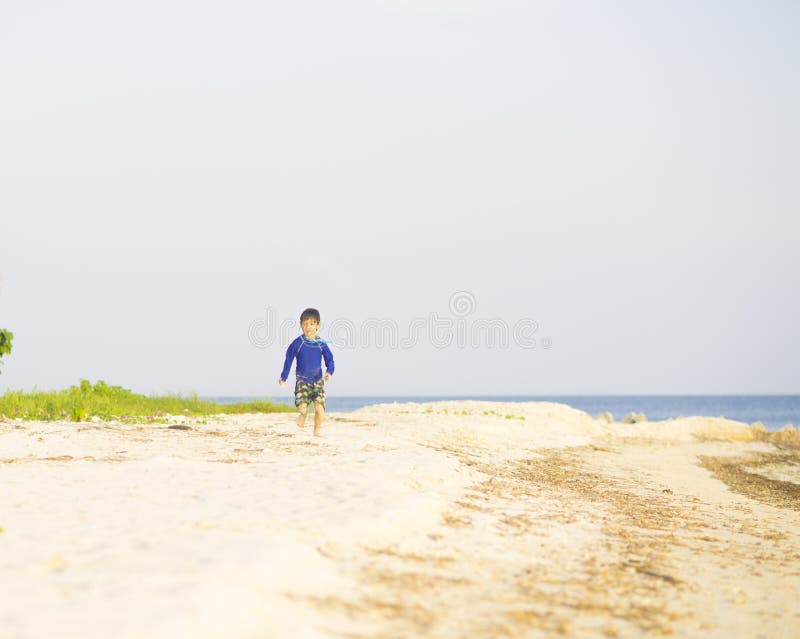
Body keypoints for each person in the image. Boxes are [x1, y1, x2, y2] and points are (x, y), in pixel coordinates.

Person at [279, 308, 335, 436]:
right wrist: (283, 377)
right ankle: (303, 415)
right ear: (301, 325)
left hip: (318, 382)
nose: (308, 327)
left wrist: (329, 372)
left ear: (318, 325)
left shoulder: (321, 344)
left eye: (311, 323)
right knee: (302, 407)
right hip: (302, 381)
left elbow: (330, 360)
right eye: (304, 324)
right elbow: (288, 360)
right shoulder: (297, 343)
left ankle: (316, 430)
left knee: (320, 409)